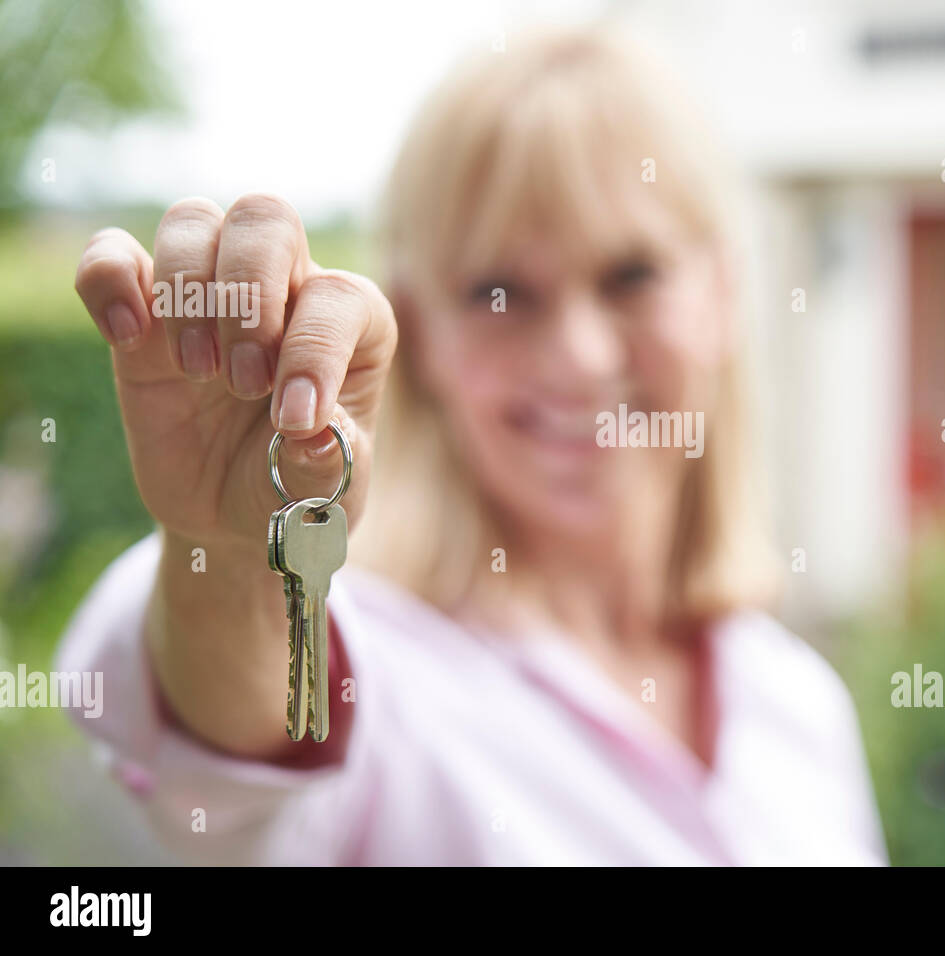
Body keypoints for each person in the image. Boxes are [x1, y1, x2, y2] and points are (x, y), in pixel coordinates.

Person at [59, 27, 887, 865]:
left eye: (631, 275)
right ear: (422, 336)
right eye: (501, 293)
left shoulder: (797, 703)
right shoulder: (377, 681)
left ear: (722, 292)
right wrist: (230, 554)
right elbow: (231, 758)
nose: (581, 358)